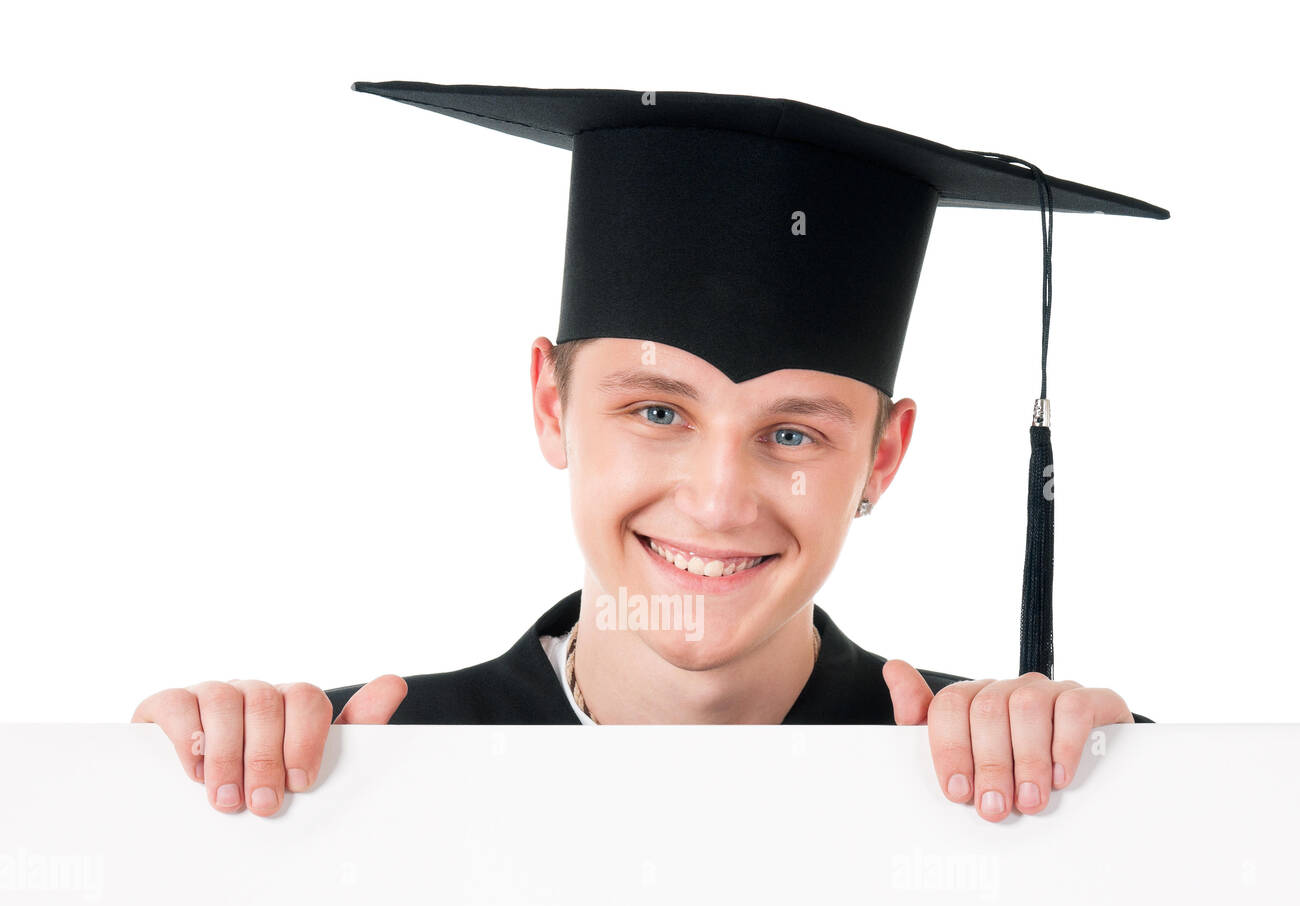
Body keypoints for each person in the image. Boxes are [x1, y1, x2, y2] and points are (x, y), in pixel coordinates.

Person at [133, 82, 1159, 824]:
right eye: (658, 412)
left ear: (882, 461)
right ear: (550, 402)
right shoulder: (360, 765)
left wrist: (1139, 799)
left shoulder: (987, 778)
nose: (718, 501)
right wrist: (159, 800)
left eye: (792, 433)